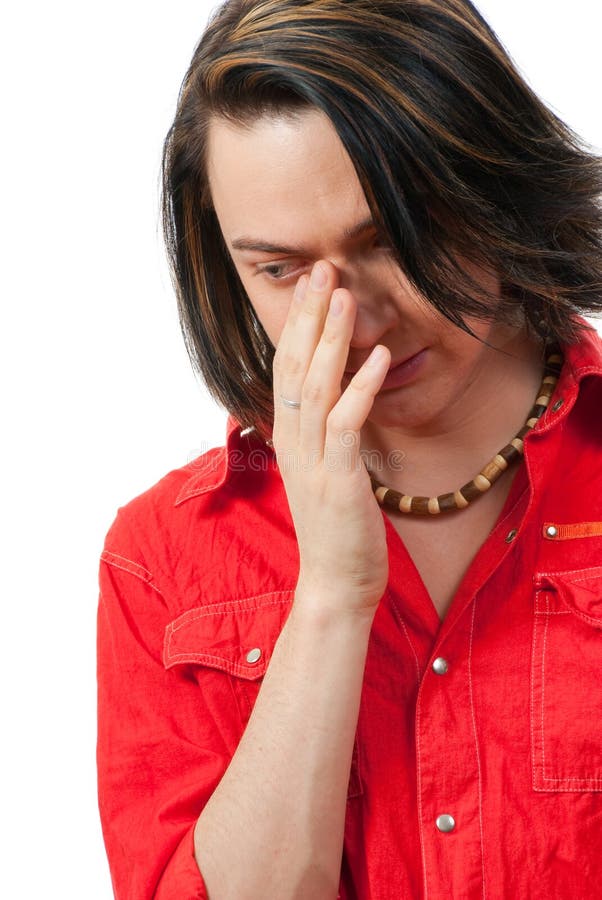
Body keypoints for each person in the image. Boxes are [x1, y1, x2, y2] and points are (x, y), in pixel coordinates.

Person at [96, 1, 602, 897]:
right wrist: (331, 595)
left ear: (493, 187)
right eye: (282, 269)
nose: (354, 320)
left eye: (393, 239)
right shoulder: (162, 561)